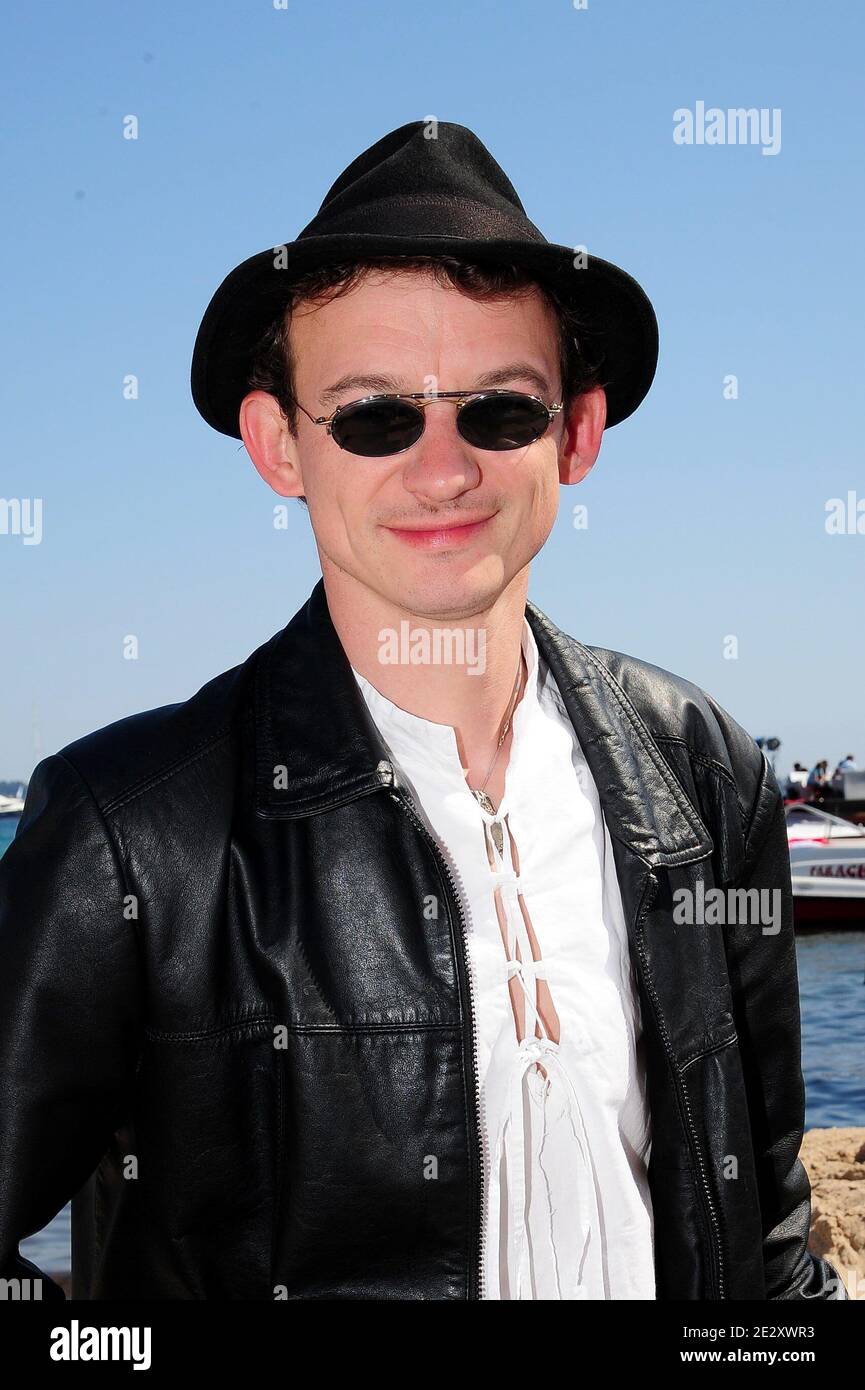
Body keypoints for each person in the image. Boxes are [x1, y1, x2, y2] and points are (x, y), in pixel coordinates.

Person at [0, 121, 846, 1302]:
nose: (441, 469)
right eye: (374, 416)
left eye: (497, 410)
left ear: (576, 433)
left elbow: (763, 1239)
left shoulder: (703, 773)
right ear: (280, 446)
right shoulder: (128, 834)